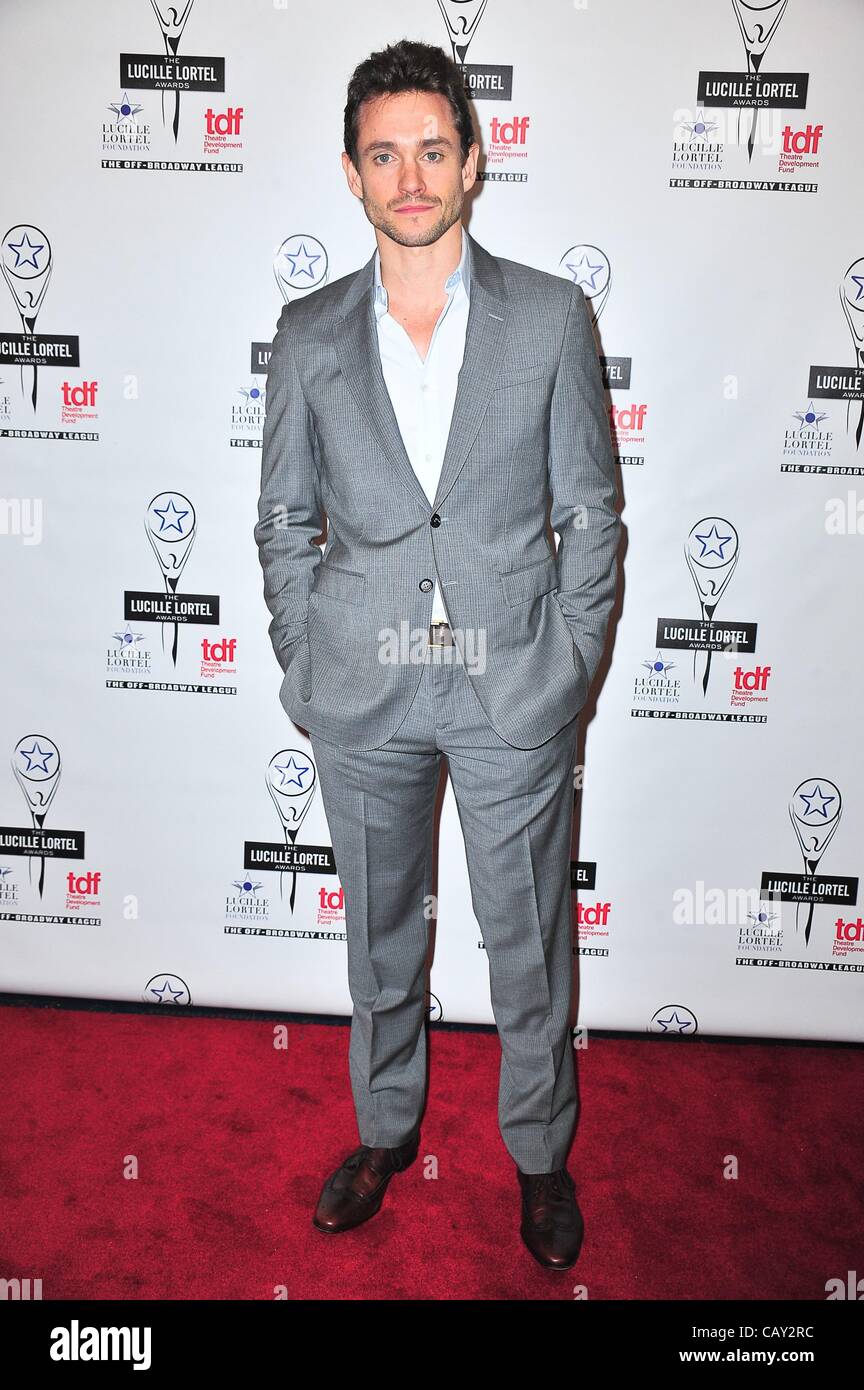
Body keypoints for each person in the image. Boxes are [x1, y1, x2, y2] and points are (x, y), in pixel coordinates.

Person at [254, 38, 619, 1271]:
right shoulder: (307, 334)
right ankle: (385, 1131)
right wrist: (308, 653)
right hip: (362, 687)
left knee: (528, 942)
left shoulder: (554, 317)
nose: (409, 174)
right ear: (352, 177)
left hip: (513, 681)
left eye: (431, 148)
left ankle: (538, 1155)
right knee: (381, 943)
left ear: (472, 161)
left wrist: (567, 659)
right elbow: (283, 517)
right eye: (382, 153)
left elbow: (594, 513)